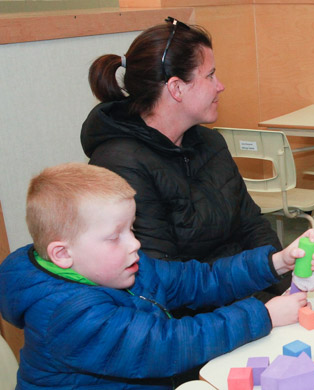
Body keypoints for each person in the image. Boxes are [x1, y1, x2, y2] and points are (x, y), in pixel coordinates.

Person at [0, 163, 314, 389]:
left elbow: (197, 281)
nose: (135, 243)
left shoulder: (119, 265)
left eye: (131, 228)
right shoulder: (67, 315)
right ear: (62, 254)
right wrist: (263, 314)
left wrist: (274, 263)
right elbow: (169, 345)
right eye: (116, 236)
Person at [80, 18, 287, 299]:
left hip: (242, 290)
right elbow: (164, 283)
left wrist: (284, 281)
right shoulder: (121, 165)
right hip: (193, 317)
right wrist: (260, 311)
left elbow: (251, 224)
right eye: (210, 75)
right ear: (176, 88)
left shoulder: (210, 142)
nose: (220, 86)